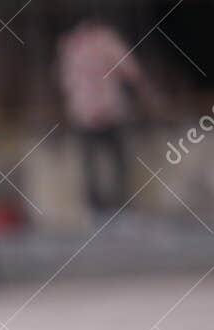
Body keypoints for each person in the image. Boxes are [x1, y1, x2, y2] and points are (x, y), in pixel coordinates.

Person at [57, 16, 147, 213]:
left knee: (92, 163)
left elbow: (65, 82)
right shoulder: (107, 40)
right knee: (117, 161)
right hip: (108, 110)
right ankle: (119, 205)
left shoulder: (71, 44)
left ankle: (96, 208)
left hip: (85, 113)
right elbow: (131, 71)